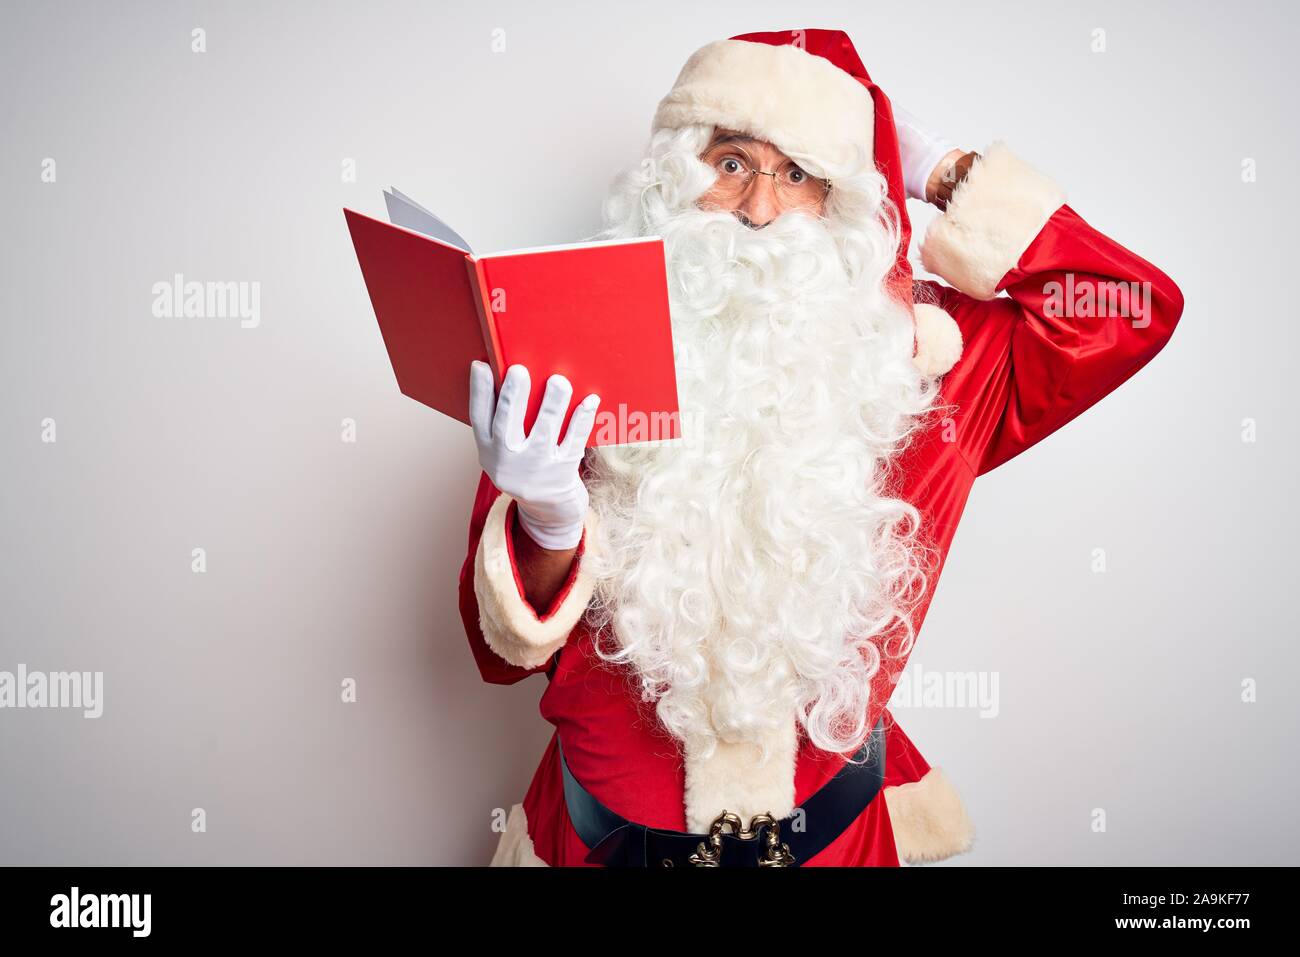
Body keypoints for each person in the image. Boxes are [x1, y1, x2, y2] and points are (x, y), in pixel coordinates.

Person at [459, 28, 1183, 867]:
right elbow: (497, 656)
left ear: (844, 202)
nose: (760, 209)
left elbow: (1130, 306)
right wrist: (547, 520)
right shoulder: (570, 346)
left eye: (797, 171)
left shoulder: (921, 367)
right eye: (731, 163)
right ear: (675, 177)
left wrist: (947, 172)